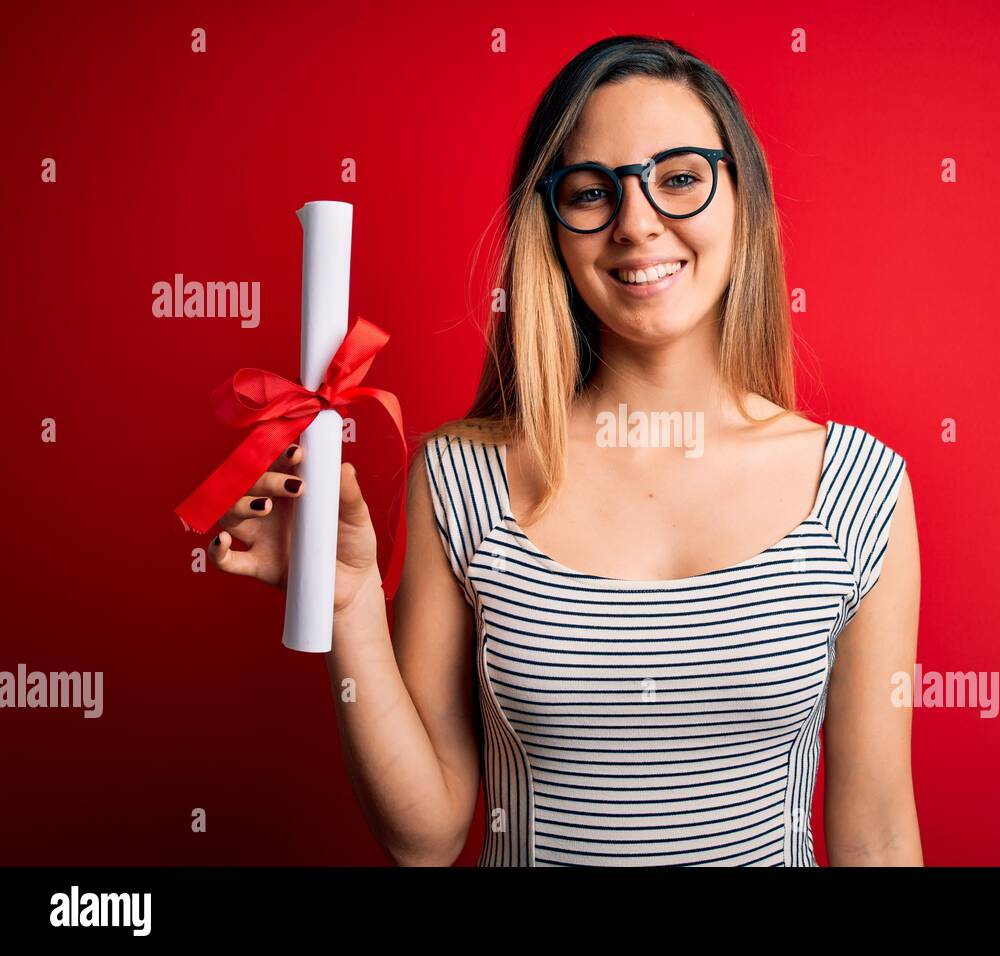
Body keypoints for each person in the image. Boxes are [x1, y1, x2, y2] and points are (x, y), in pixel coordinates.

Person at [209, 35, 921, 867]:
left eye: (680, 178)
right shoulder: (460, 479)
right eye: (590, 192)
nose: (637, 223)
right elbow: (426, 840)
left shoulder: (860, 489)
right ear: (550, 227)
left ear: (744, 201)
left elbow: (874, 834)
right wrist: (351, 606)